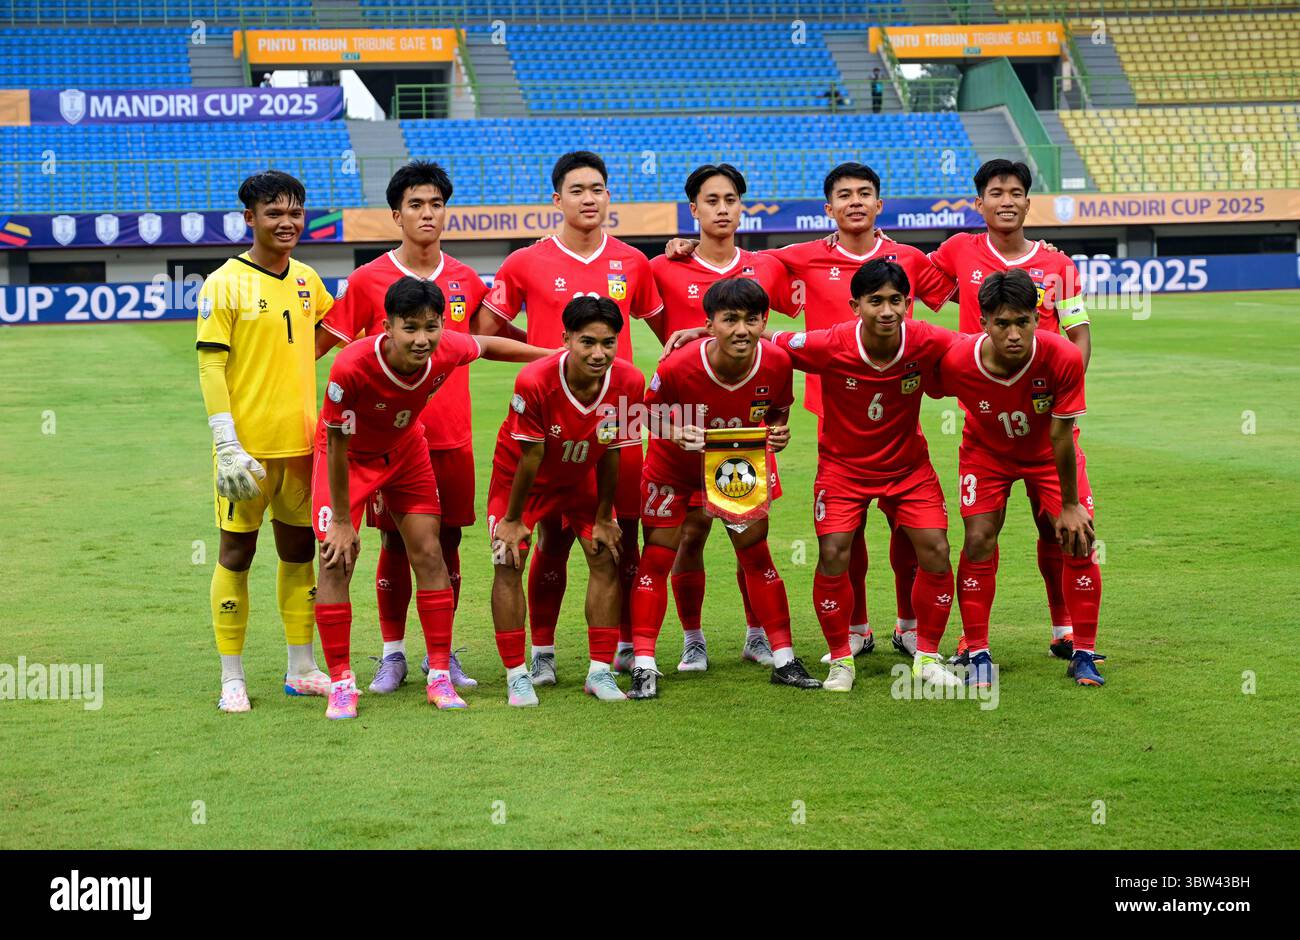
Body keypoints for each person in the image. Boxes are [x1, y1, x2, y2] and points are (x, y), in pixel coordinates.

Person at [663, 162, 956, 663]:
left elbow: (958, 291)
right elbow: (738, 266)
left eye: (866, 194)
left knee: (910, 530)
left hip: (894, 404)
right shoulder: (799, 256)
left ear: (880, 204)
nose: (856, 202)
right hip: (834, 411)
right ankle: (857, 629)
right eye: (845, 195)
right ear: (830, 208)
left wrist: (1043, 263)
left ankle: (909, 627)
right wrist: (688, 247)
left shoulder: (907, 257)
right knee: (847, 535)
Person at [315, 160, 521, 694]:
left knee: (442, 543)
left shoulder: (465, 278)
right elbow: (325, 348)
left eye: (435, 204)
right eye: (416, 205)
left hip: (449, 435)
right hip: (381, 441)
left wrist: (561, 352)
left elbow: (484, 342)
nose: (427, 214)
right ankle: (391, 654)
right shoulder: (368, 280)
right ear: (396, 214)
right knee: (389, 544)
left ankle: (443, 655)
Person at [312, 277, 550, 719]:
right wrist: (343, 521)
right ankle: (342, 683)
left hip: (405, 451)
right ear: (386, 327)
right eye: (410, 328)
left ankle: (439, 673)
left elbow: (489, 344)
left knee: (430, 553)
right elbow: (337, 441)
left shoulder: (447, 347)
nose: (422, 340)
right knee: (335, 558)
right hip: (347, 458)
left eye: (431, 327)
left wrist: (553, 356)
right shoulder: (350, 367)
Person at [474, 150, 665, 685]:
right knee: (551, 544)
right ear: (557, 199)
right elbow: (487, 331)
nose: (589, 198)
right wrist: (548, 360)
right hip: (551, 420)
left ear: (609, 197)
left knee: (620, 536)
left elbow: (669, 334)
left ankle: (624, 647)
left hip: (615, 419)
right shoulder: (524, 262)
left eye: (598, 189)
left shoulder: (634, 261)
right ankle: (544, 652)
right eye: (577, 190)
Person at [768, 259, 964, 691]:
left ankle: (927, 656)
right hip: (843, 469)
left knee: (935, 548)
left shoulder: (926, 339)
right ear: (856, 304)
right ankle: (841, 660)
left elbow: (974, 347)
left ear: (909, 304)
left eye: (896, 300)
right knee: (834, 552)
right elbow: (766, 339)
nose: (887, 310)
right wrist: (702, 333)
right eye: (876, 301)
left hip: (908, 468)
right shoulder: (829, 343)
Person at [928, 158, 1095, 664]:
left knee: (1058, 529)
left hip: (1046, 425)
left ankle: (1065, 630)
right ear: (979, 203)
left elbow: (1079, 336)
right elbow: (906, 280)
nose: (1006, 200)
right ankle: (971, 640)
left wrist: (1061, 389)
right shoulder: (958, 250)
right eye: (995, 192)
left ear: (1028, 202)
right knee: (979, 534)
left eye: (1015, 192)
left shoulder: (1058, 266)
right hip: (985, 421)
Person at [631, 278, 823, 699]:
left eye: (751, 320)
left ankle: (785, 658)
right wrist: (675, 431)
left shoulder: (777, 363)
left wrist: (776, 434)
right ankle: (647, 663)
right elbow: (641, 416)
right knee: (660, 555)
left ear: (764, 321)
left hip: (735, 467)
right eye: (730, 319)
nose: (742, 330)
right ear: (710, 324)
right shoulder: (678, 367)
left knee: (756, 555)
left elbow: (776, 412)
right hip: (673, 469)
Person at [196, 170, 335, 713]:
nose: (287, 222)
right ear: (248, 217)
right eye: (274, 213)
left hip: (301, 448)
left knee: (300, 554)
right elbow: (211, 364)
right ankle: (232, 676)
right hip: (245, 453)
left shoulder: (306, 278)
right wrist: (225, 442)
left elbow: (332, 332)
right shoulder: (223, 283)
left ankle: (300, 668)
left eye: (295, 212)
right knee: (237, 552)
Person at [648, 163, 794, 669]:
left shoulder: (769, 266)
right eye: (711, 201)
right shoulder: (663, 267)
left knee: (748, 537)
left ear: (742, 206)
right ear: (694, 210)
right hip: (685, 424)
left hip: (744, 428)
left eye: (731, 199)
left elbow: (824, 274)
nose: (723, 208)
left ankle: (758, 635)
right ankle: (693, 637)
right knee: (690, 536)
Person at [486, 296, 647, 706]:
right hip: (523, 480)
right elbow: (530, 456)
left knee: (606, 553)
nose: (598, 353)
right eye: (587, 342)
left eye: (608, 343)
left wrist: (605, 514)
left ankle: (600, 672)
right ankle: (517, 674)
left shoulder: (628, 381)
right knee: (509, 558)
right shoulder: (535, 380)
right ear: (566, 339)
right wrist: (511, 518)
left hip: (580, 477)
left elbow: (613, 451)